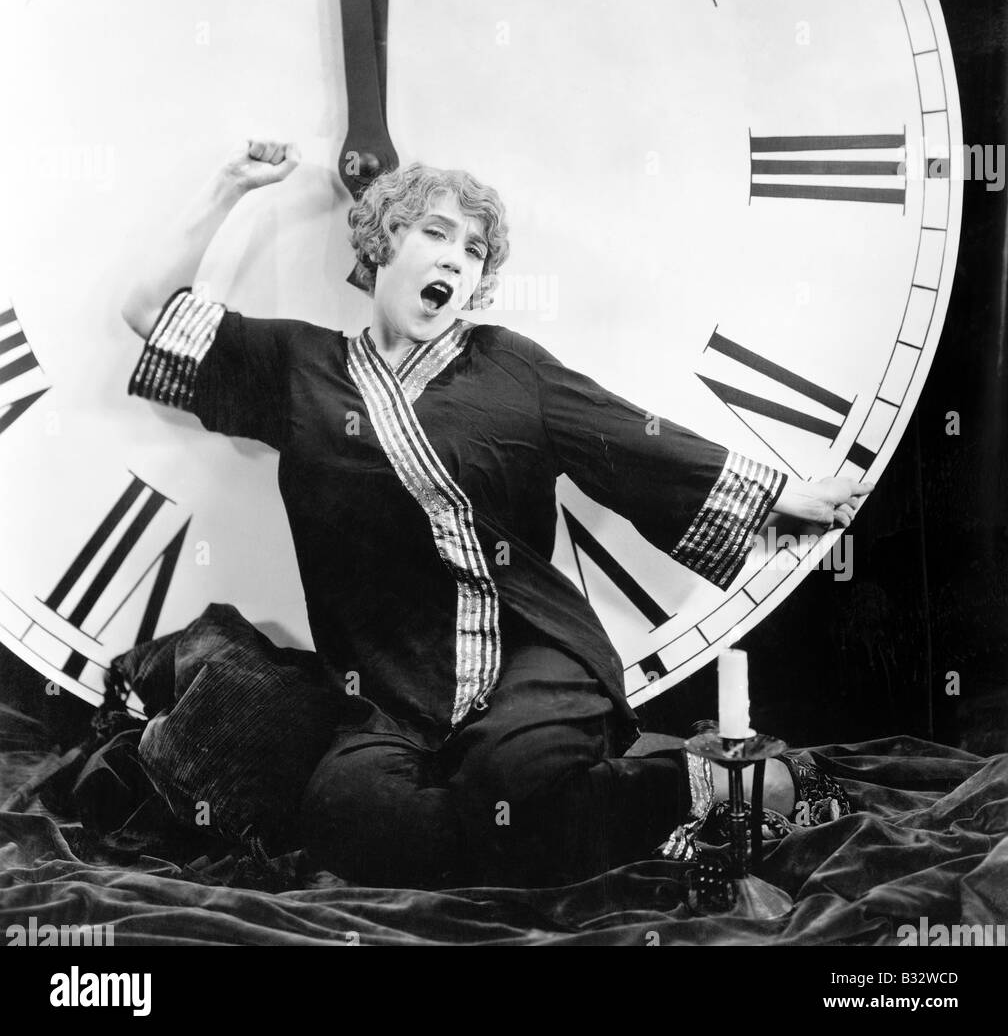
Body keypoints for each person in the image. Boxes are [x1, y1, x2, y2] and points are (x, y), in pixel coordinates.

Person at [122, 141, 870, 888]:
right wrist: (228, 186)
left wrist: (778, 494)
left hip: (532, 654)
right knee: (348, 818)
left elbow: (632, 438)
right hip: (388, 688)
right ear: (383, 243)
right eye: (436, 234)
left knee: (512, 790)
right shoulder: (296, 364)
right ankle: (587, 824)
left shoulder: (510, 365)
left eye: (474, 251)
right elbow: (148, 311)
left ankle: (720, 786)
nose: (456, 259)